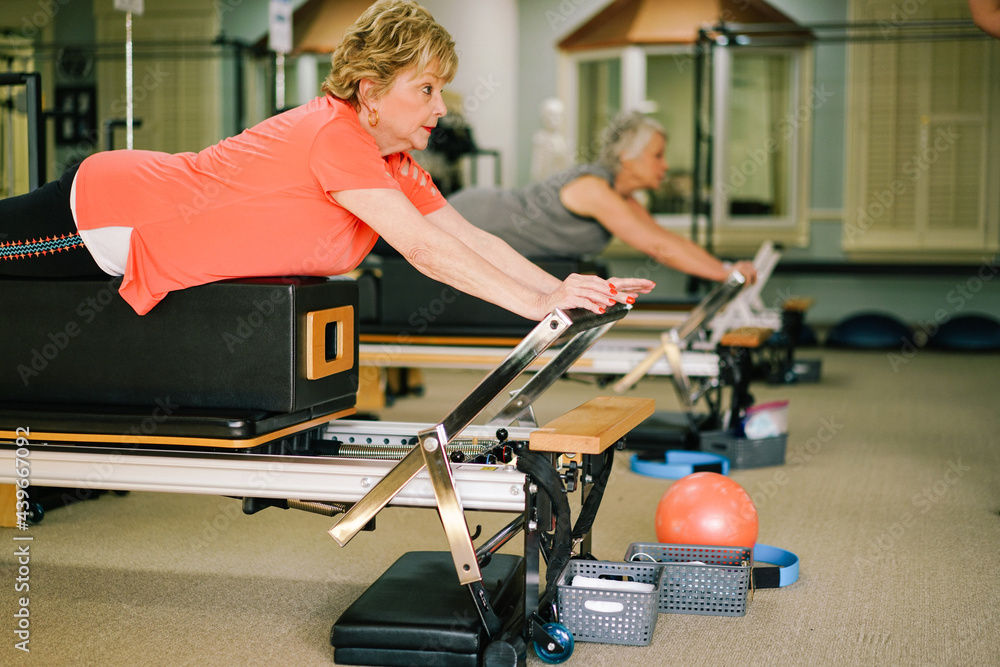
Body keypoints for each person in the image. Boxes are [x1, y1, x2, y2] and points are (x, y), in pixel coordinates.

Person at [0, 0, 652, 320]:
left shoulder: (391, 159)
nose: (441, 106)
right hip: (110, 213)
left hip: (123, 218)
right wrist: (537, 304)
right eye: (425, 88)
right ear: (370, 92)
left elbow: (465, 236)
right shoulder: (334, 136)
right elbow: (426, 251)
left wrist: (558, 292)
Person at [448, 111, 758, 285]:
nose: (665, 165)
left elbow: (665, 239)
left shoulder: (622, 197)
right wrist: (724, 274)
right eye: (657, 156)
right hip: (474, 215)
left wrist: (725, 267)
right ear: (628, 157)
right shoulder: (594, 189)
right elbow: (658, 248)